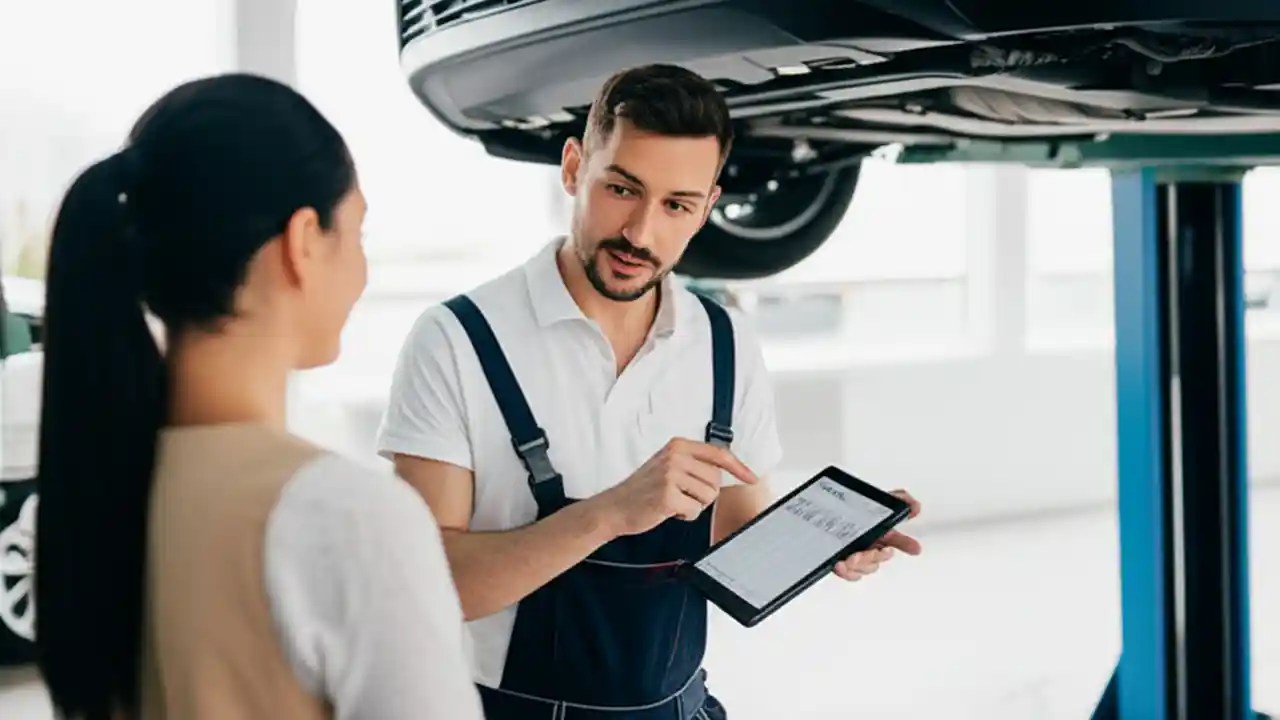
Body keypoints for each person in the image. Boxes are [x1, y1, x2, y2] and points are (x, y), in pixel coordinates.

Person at [378, 63, 924, 719]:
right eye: (622, 189)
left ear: (707, 208)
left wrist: (828, 544)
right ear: (575, 167)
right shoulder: (456, 341)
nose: (640, 233)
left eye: (676, 205)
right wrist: (610, 512)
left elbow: (738, 542)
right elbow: (425, 585)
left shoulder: (726, 344)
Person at [34, 73, 484, 720]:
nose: (362, 270)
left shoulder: (103, 484)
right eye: (356, 234)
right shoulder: (349, 517)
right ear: (303, 242)